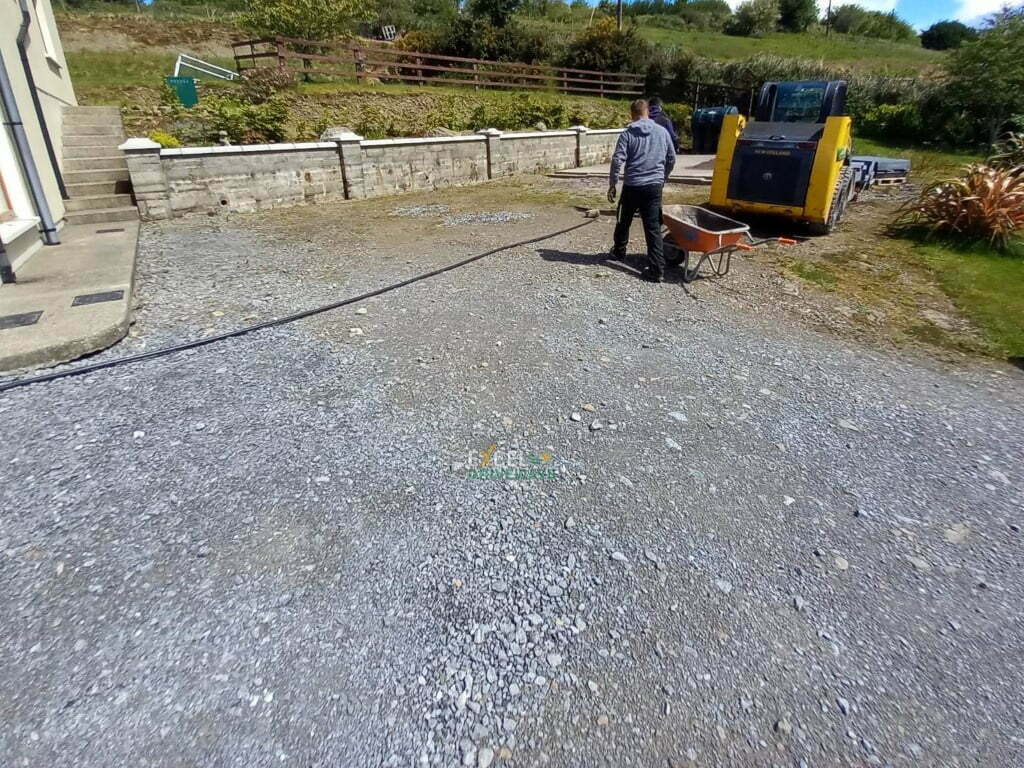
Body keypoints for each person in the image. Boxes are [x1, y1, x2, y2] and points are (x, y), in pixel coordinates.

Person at [608, 99, 676, 283]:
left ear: (632, 114)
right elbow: (671, 158)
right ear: (647, 112)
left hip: (632, 185)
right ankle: (657, 270)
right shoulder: (662, 132)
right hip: (654, 186)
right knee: (653, 227)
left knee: (623, 220)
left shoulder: (628, 133)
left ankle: (619, 252)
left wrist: (613, 184)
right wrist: (663, 177)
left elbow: (617, 160)